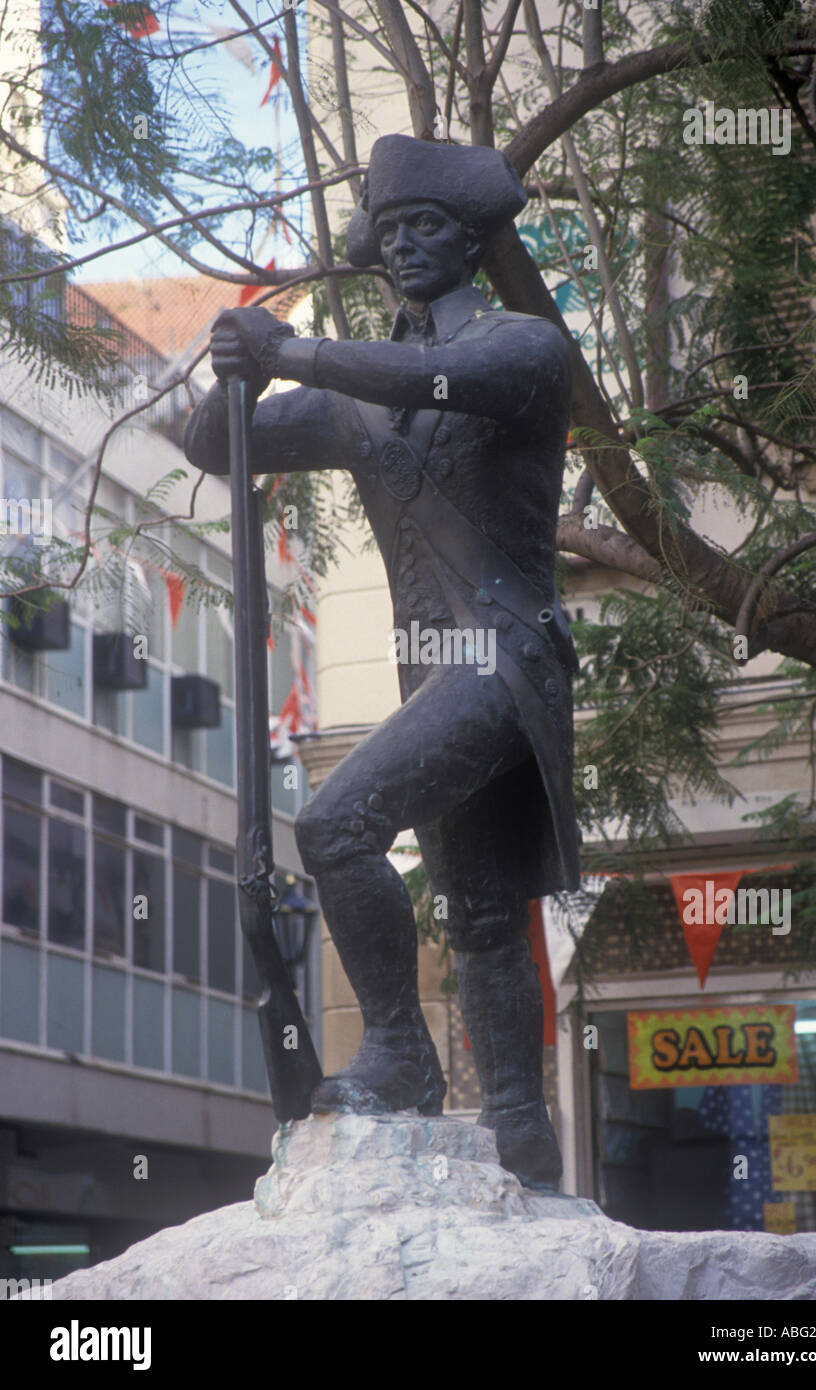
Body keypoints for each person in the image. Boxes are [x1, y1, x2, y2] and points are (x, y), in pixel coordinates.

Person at [184, 134, 580, 1190]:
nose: (404, 247)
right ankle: (520, 1146)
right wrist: (229, 363)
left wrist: (291, 353)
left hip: (503, 664)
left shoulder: (523, 347)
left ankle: (400, 1050)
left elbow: (433, 375)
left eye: (427, 228)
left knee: (331, 821)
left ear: (470, 239)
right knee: (486, 914)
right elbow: (209, 443)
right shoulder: (358, 392)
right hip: (431, 676)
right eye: (390, 231)